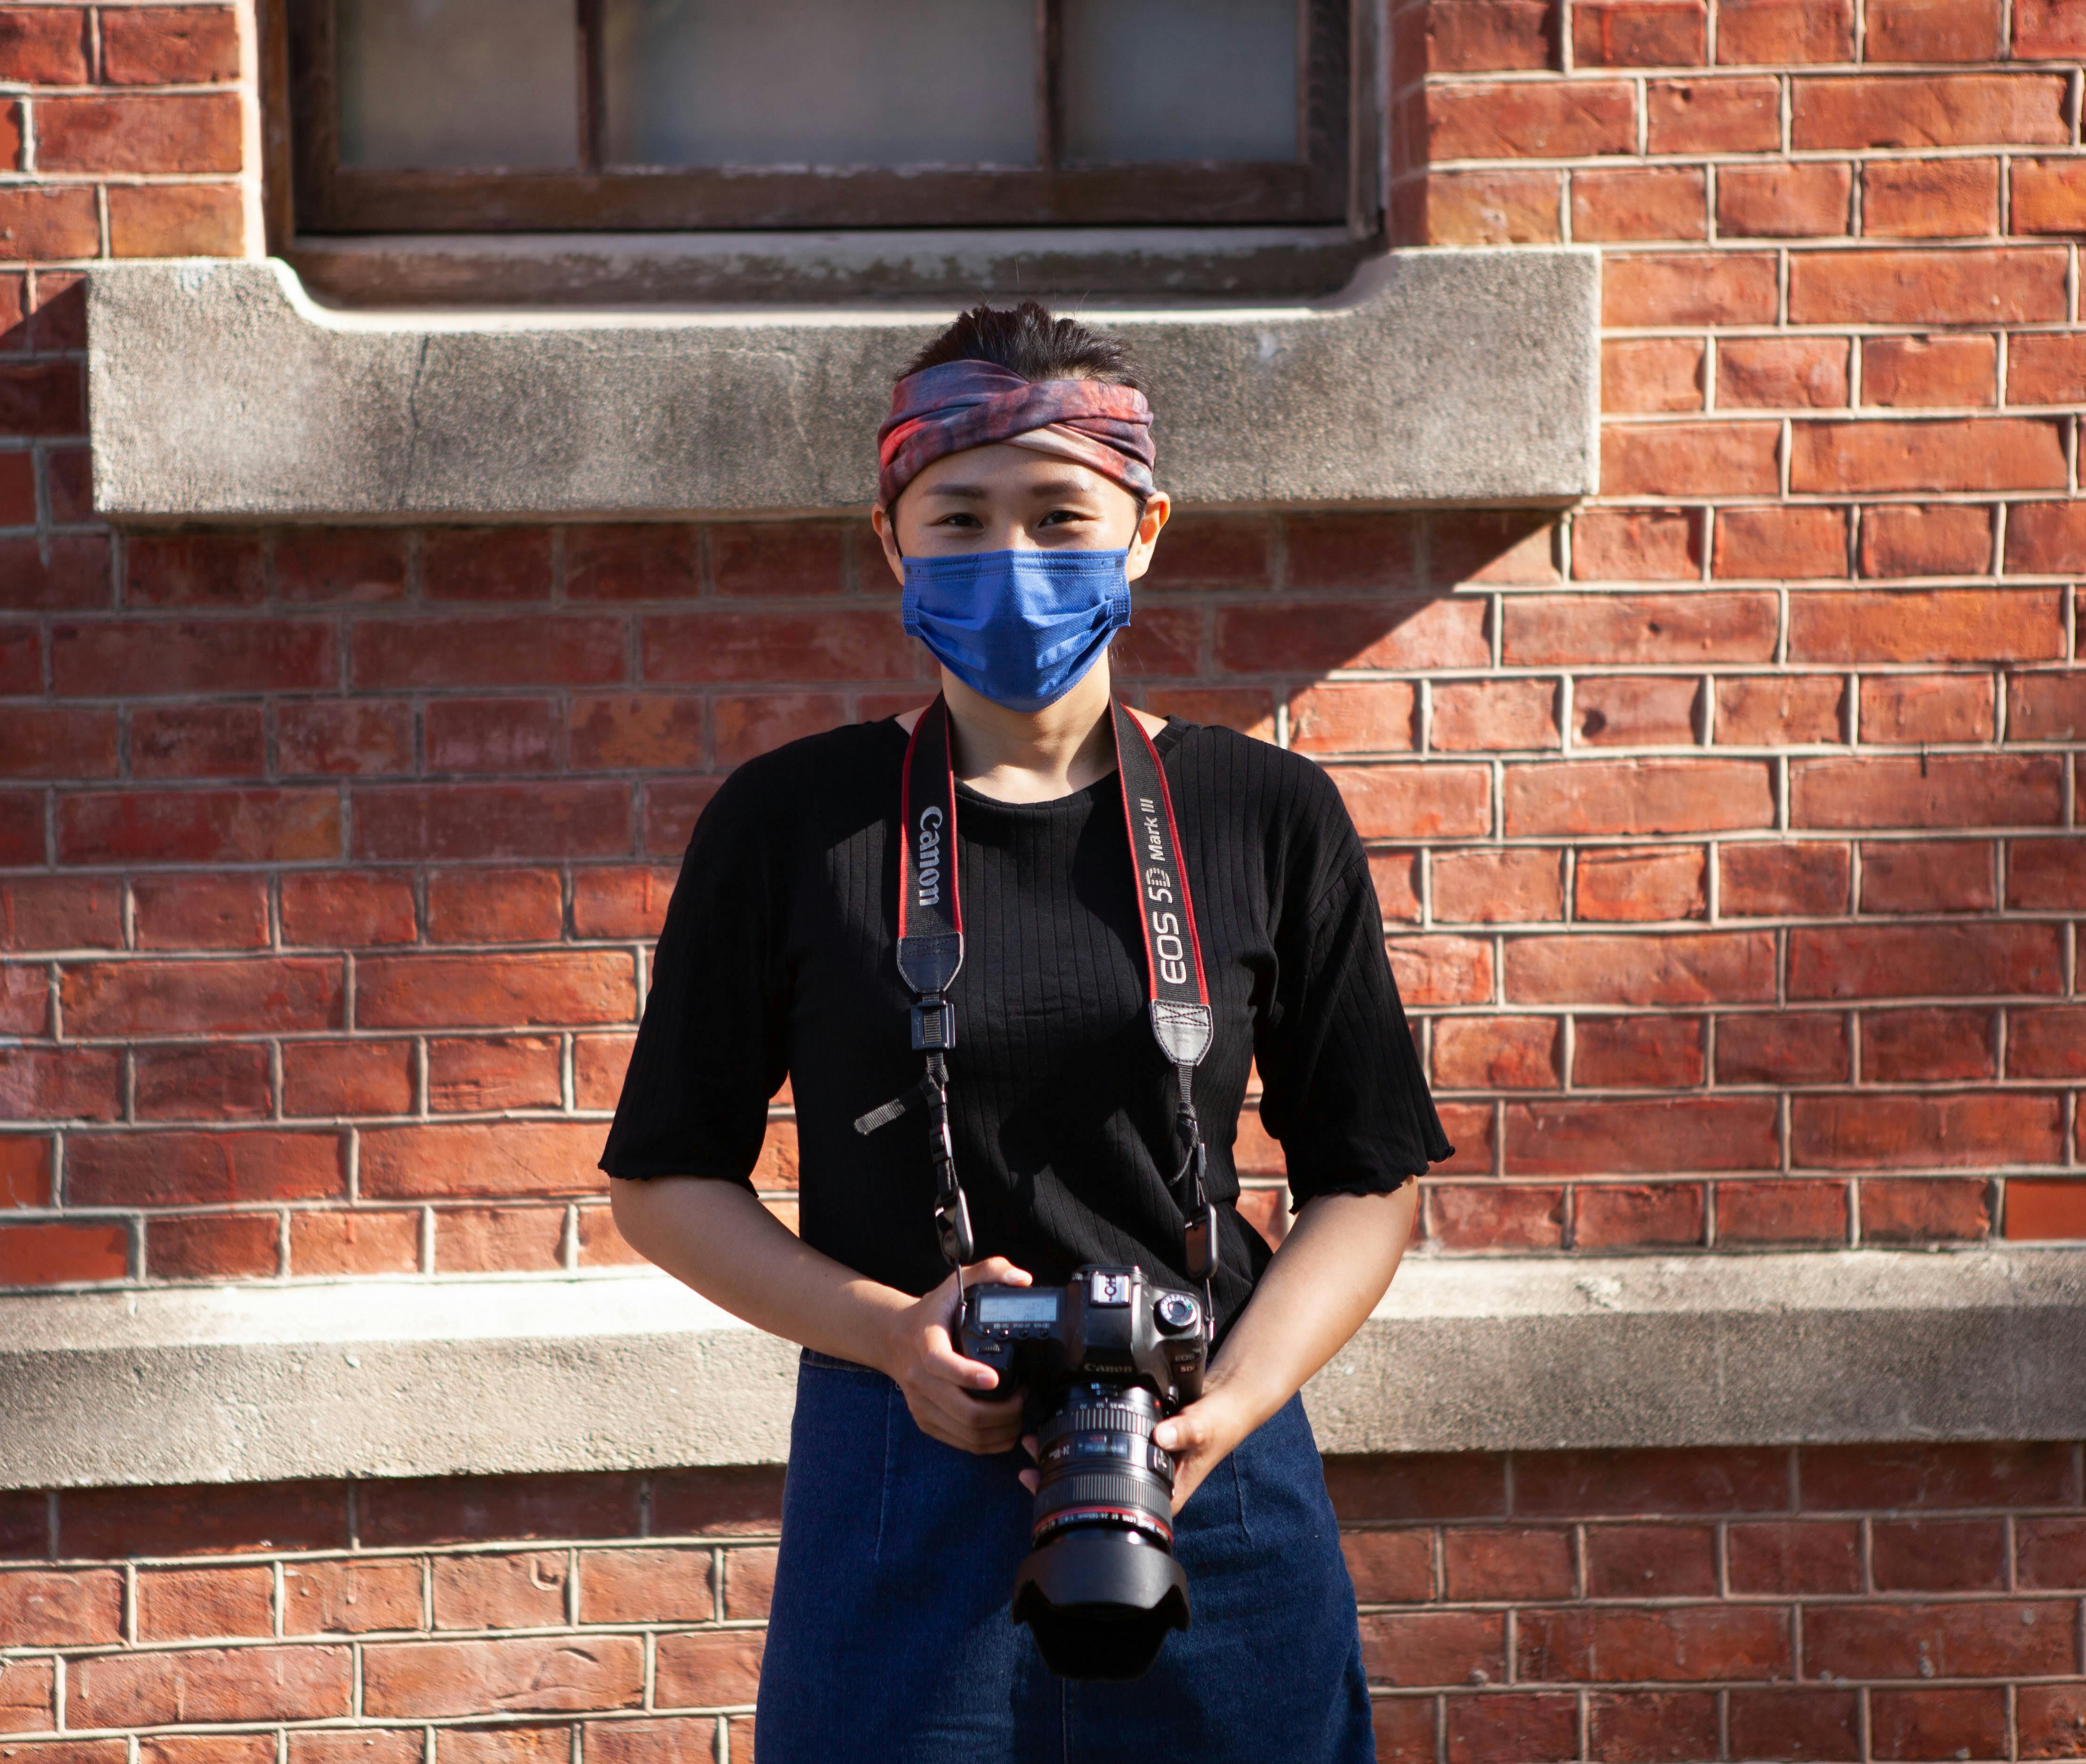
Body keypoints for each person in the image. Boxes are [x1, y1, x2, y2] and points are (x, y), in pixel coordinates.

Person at [601, 301, 1451, 1763]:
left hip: (1204, 1453)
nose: (1012, 558)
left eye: (1063, 513)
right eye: (960, 516)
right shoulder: (793, 825)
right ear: (893, 541)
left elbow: (1369, 1180)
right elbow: (663, 1183)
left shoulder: (1264, 814)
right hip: (905, 1448)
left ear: (1144, 529)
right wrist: (892, 1334)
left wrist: (1231, 1407)